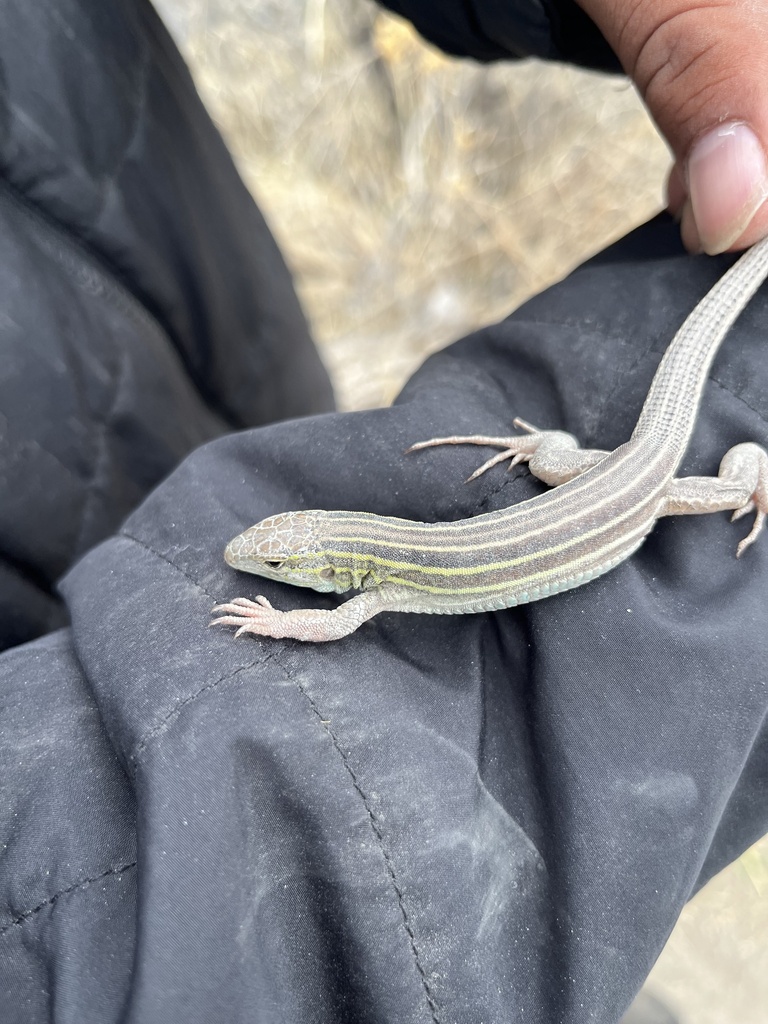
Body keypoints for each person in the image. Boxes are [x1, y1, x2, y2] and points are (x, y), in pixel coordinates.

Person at [1, 2, 766, 1022]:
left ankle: (750, 471)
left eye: (280, 560)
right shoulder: (381, 554)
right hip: (595, 479)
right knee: (580, 456)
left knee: (714, 484)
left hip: (633, 499)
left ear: (327, 556)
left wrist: (277, 621)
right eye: (278, 563)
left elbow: (332, 616)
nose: (263, 560)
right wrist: (542, 456)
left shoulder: (373, 580)